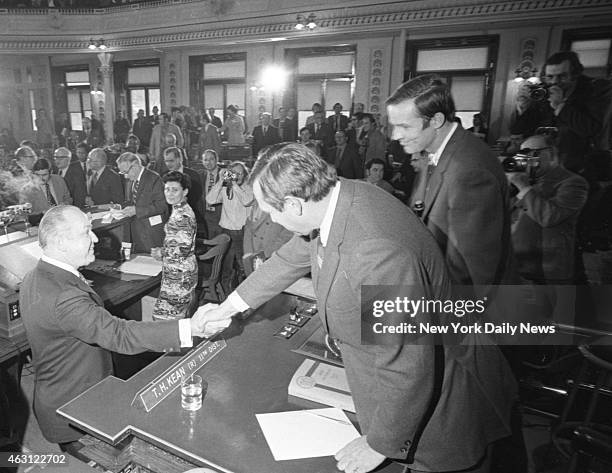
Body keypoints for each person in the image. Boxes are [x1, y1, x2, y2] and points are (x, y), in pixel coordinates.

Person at [194, 143, 516, 473]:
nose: (271, 219)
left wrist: (381, 444)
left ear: (295, 203)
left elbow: (408, 364)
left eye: (272, 211)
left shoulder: (377, 252)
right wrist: (228, 308)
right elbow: (290, 258)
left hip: (442, 411)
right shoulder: (340, 197)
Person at [19, 205, 205, 451]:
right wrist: (189, 327)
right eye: (87, 232)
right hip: (75, 409)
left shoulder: (35, 276)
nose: (95, 238)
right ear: (61, 242)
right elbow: (119, 334)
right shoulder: (64, 295)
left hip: (61, 393)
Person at [387, 75, 515, 289]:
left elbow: (472, 271)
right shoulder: (434, 150)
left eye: (404, 126)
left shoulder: (470, 171)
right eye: (393, 126)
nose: (395, 135)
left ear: (436, 120)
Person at [509, 133, 588, 284]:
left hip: (545, 268)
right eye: (522, 154)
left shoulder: (573, 183)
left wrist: (524, 188)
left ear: (552, 154)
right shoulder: (525, 180)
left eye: (532, 153)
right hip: (516, 263)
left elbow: (549, 217)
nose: (525, 158)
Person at [542, 50, 612, 176]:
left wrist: (560, 106)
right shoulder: (545, 90)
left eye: (562, 76)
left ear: (575, 74)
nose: (554, 82)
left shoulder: (596, 89)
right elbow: (521, 129)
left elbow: (592, 129)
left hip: (587, 168)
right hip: (552, 164)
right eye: (550, 77)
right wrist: (523, 107)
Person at [151, 171, 198, 320]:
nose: (169, 194)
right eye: (167, 189)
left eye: (175, 190)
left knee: (165, 320)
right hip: (178, 272)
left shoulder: (182, 215)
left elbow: (181, 249)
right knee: (174, 319)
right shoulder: (179, 209)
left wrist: (161, 252)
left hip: (179, 275)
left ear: (185, 191)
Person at [205, 161, 253, 291]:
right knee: (225, 267)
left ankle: (245, 293)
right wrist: (221, 181)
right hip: (226, 232)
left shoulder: (249, 188)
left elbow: (247, 201)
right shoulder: (226, 188)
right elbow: (210, 199)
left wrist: (234, 184)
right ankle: (226, 295)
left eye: (240, 173)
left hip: (242, 233)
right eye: (234, 173)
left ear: (245, 175)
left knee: (243, 267)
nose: (236, 176)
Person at [117, 152, 167, 253]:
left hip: (151, 232)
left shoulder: (154, 178)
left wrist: (136, 211)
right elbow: (134, 201)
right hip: (137, 230)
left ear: (135, 166)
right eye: (123, 173)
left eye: (126, 172)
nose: (125, 176)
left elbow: (161, 206)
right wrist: (118, 207)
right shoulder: (132, 181)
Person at [163, 146, 203, 225]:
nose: (168, 164)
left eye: (171, 161)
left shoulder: (193, 175)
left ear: (180, 159)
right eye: (166, 161)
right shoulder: (164, 176)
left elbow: (197, 198)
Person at [200, 149, 222, 238]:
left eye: (211, 159)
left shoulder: (225, 172)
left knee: (223, 242)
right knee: (211, 242)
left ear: (217, 159)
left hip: (222, 215)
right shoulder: (200, 175)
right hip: (207, 214)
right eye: (205, 160)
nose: (208, 162)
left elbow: (235, 183)